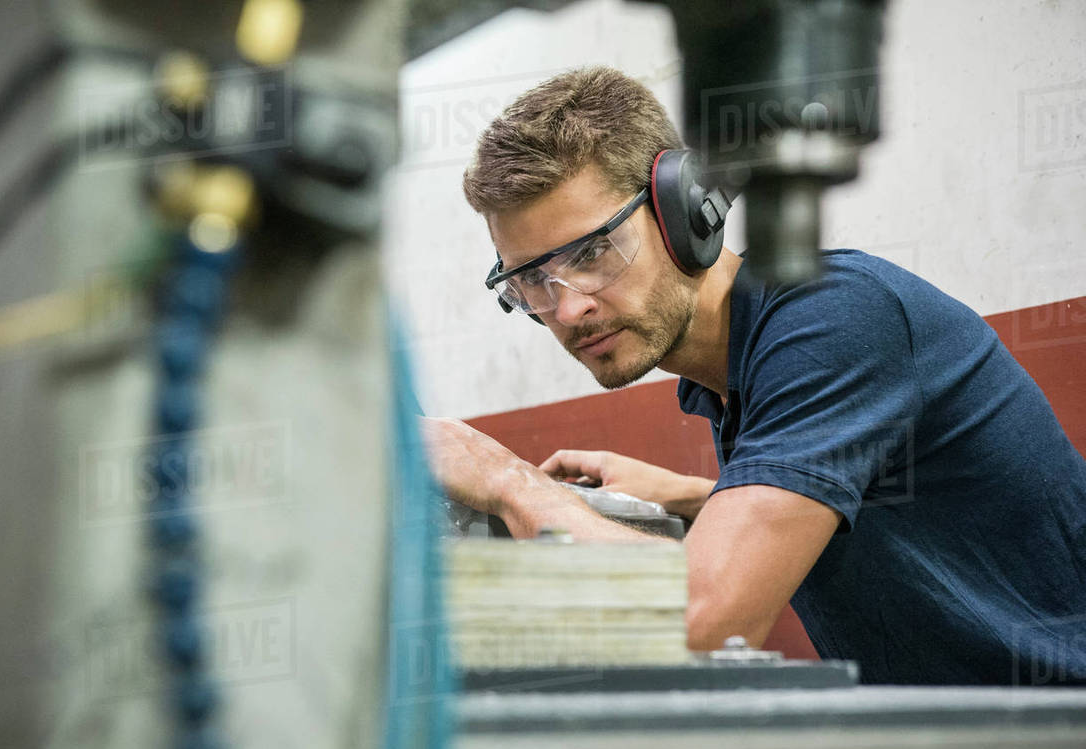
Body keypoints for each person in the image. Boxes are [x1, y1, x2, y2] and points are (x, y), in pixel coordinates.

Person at [420, 66, 1086, 685]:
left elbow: (704, 620)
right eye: (533, 279)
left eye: (594, 251)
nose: (569, 309)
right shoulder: (735, 376)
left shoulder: (833, 320)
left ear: (685, 212)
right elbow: (868, 505)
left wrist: (511, 483)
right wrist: (698, 497)